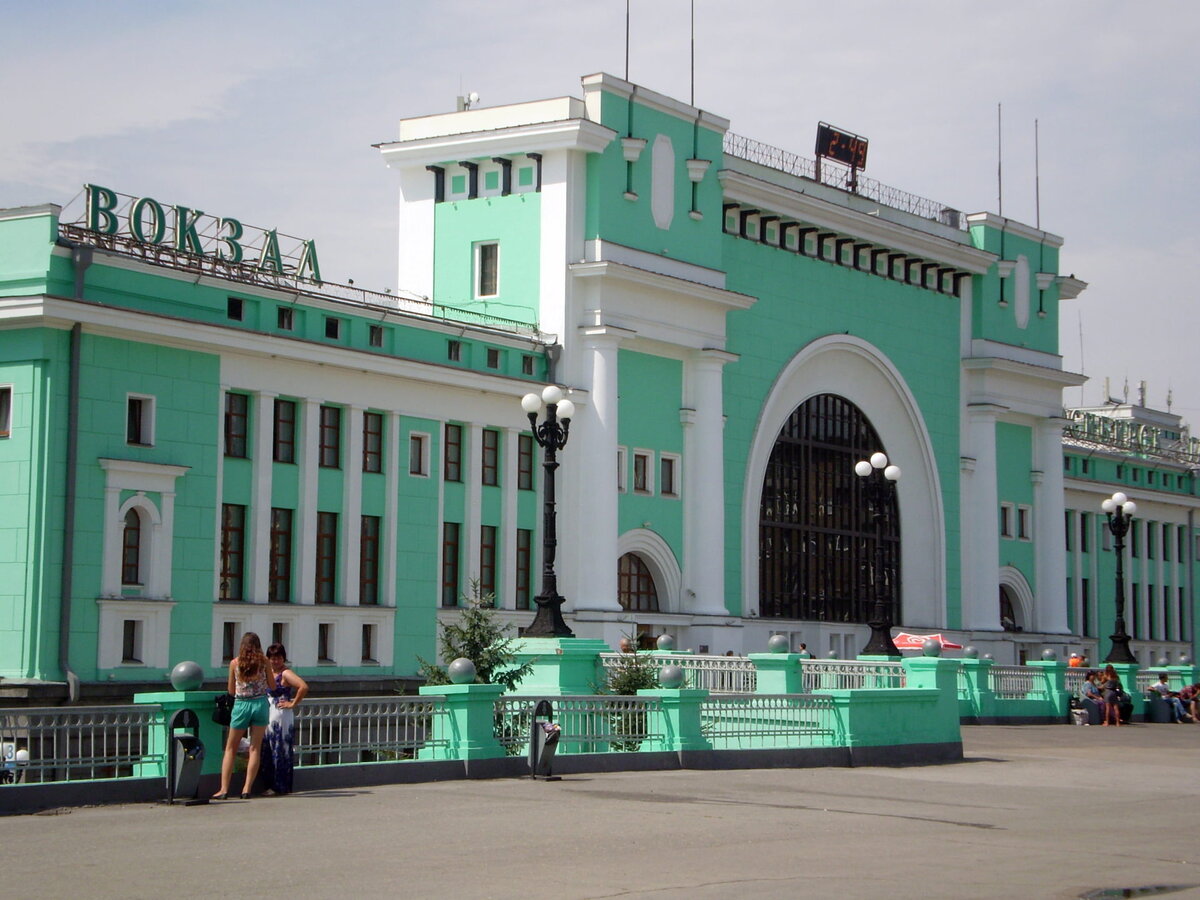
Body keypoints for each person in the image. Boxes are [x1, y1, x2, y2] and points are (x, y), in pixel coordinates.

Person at [214, 632, 272, 799]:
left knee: (230, 748)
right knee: (255, 748)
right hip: (260, 704)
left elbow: (231, 691)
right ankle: (246, 789)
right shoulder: (264, 662)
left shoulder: (234, 663)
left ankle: (224, 789)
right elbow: (273, 685)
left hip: (241, 705)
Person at [262, 643, 309, 795]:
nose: (275, 661)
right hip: (268, 714)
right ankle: (270, 785)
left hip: (281, 715)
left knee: (280, 749)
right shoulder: (268, 672)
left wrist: (293, 703)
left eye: (279, 658)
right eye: (272, 658)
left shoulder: (286, 673)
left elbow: (303, 686)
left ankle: (280, 786)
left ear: (283, 658)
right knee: (268, 749)